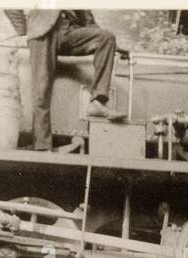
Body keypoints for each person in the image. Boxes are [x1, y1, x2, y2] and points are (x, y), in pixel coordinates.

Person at [7, 9, 120, 151]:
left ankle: (97, 102)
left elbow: (87, 18)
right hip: (42, 32)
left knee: (107, 37)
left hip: (69, 30)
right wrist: (24, 30)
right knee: (41, 88)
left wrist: (113, 46)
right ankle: (42, 145)